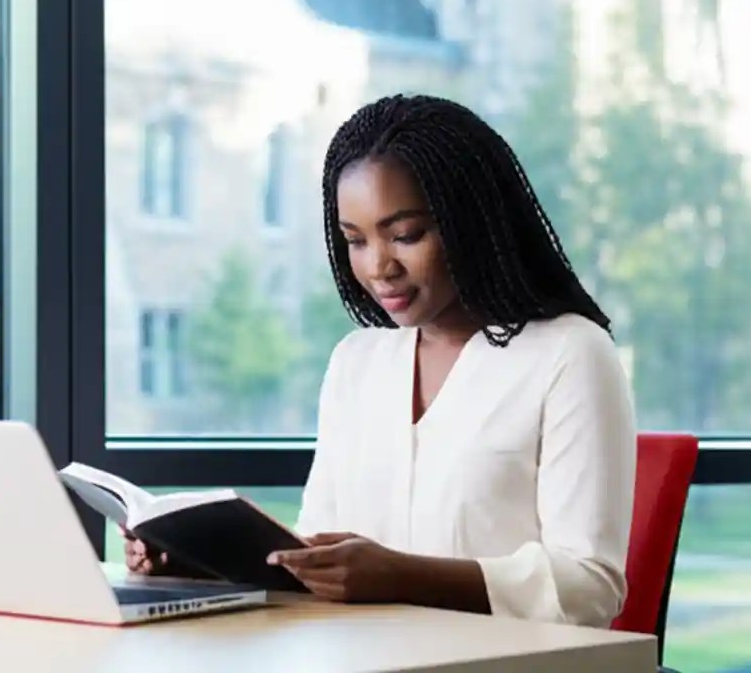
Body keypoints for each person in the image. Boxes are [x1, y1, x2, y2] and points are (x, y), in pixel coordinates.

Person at [125, 94, 636, 628]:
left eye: (405, 235)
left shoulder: (570, 354)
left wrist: (401, 575)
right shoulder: (357, 361)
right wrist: (202, 563)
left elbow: (588, 588)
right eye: (355, 240)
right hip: (367, 658)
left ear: (471, 222)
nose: (378, 267)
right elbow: (319, 552)